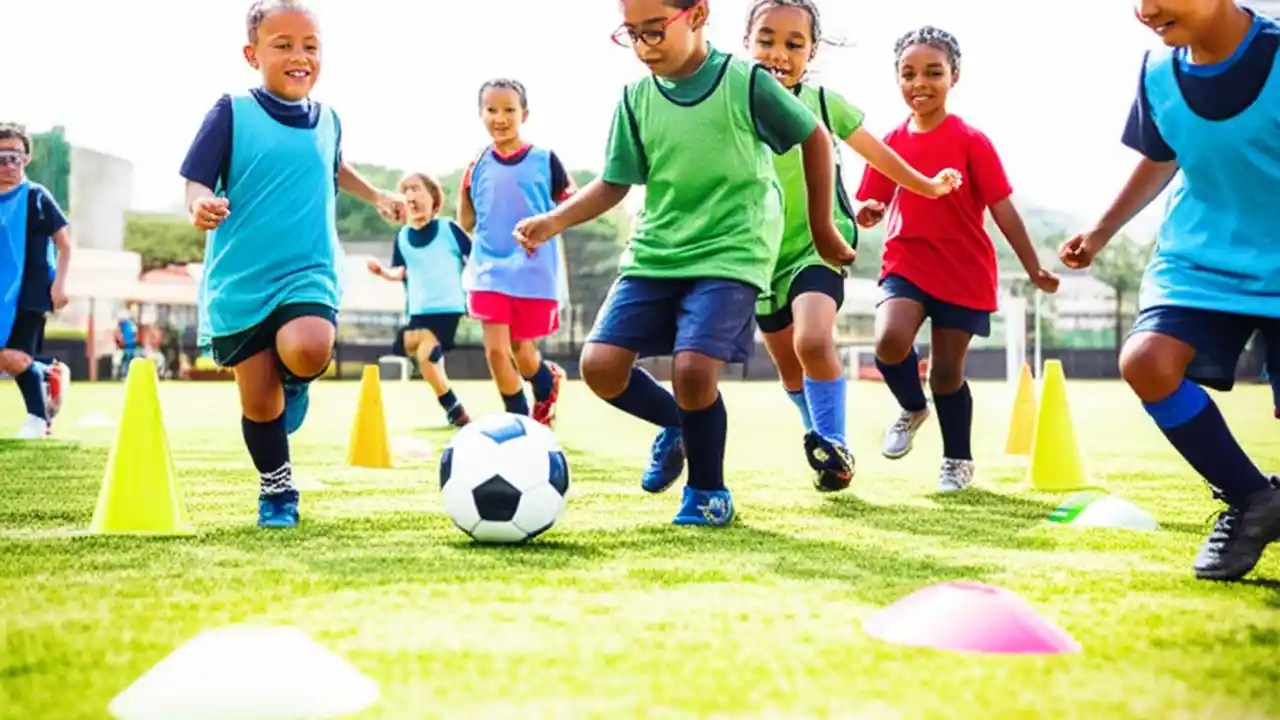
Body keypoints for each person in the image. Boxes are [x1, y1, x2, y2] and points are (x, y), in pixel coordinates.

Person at [515, 0, 852, 526]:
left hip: (732, 251)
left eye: (654, 30)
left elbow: (813, 136)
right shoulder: (635, 98)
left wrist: (822, 227)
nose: (643, 45)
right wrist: (554, 220)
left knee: (693, 370)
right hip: (656, 252)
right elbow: (614, 182)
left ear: (697, 16)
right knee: (600, 368)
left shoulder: (744, 82)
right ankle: (677, 425)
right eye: (631, 34)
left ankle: (708, 492)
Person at [1060, 0, 1279, 581]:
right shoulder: (1157, 72)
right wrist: (1101, 231)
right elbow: (1161, 157)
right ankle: (1253, 500)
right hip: (1200, 260)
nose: (1147, 9)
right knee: (1147, 361)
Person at [181, 0, 405, 529]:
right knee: (259, 403)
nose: (298, 55)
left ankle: (298, 378)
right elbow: (195, 176)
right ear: (252, 53)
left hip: (309, 268)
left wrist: (375, 196)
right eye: (282, 45)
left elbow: (334, 166)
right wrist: (199, 204)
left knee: (308, 348)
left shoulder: (329, 119)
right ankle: (277, 489)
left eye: (310, 46)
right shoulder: (231, 112)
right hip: (242, 278)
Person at [743, 0, 963, 492]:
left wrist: (925, 185)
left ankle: (836, 444)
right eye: (767, 40)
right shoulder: (734, 104)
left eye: (794, 44)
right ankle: (821, 443)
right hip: (756, 258)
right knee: (788, 366)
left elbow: (879, 155)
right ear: (747, 45)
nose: (779, 53)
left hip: (818, 247)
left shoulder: (823, 104)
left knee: (813, 341)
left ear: (812, 50)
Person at [856, 26, 1059, 493]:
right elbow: (871, 203)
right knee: (889, 341)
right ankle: (911, 405)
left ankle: (957, 460)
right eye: (908, 74)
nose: (919, 83)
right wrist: (866, 212)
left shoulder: (971, 140)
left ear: (954, 77)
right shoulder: (889, 141)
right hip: (906, 260)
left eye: (933, 72)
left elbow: (1003, 207)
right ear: (897, 79)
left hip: (965, 270)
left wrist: (1032, 266)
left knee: (948, 372)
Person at [457, 79, 570, 427]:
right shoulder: (477, 164)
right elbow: (467, 219)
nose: (500, 118)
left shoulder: (544, 160)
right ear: (480, 114)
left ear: (525, 114)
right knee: (494, 351)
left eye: (509, 110)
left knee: (522, 351)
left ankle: (545, 382)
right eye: (491, 110)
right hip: (489, 268)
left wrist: (544, 227)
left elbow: (571, 206)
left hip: (533, 271)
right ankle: (519, 421)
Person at [368, 172, 472, 428]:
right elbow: (400, 271)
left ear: (433, 197)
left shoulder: (449, 229)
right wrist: (382, 272)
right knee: (422, 355)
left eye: (416, 189)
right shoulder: (402, 238)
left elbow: (476, 257)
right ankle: (453, 406)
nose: (411, 196)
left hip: (447, 308)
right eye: (406, 191)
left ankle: (452, 406)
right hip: (418, 311)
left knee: (425, 354)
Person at [0, 122, 72, 439]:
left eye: (14, 156)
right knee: (12, 359)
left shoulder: (37, 197)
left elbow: (65, 245)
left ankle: (37, 420)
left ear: (26, 159)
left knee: (14, 358)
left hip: (30, 291)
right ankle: (46, 375)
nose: (8, 165)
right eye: (1, 158)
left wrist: (60, 285)